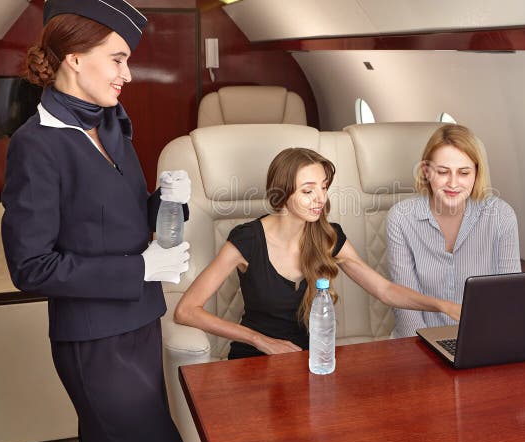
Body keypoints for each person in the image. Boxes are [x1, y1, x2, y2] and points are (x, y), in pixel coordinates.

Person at [1, 0, 190, 442]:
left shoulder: (110, 123)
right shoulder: (37, 144)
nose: (127, 74)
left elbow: (118, 220)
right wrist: (141, 269)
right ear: (75, 58)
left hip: (142, 320)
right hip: (94, 338)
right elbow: (31, 267)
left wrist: (167, 202)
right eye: (117, 59)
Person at [174, 147, 461, 359]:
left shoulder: (327, 236)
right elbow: (187, 311)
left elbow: (384, 290)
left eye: (323, 188)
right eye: (308, 191)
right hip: (255, 358)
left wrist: (443, 306)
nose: (320, 199)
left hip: (311, 359)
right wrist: (261, 341)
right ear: (282, 194)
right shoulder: (247, 240)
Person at [386, 124, 520, 338]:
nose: (453, 183)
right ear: (426, 172)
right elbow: (405, 307)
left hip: (485, 339)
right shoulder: (401, 218)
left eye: (464, 173)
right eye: (443, 172)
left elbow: (510, 298)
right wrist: (424, 355)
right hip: (418, 342)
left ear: (477, 173)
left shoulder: (502, 216)